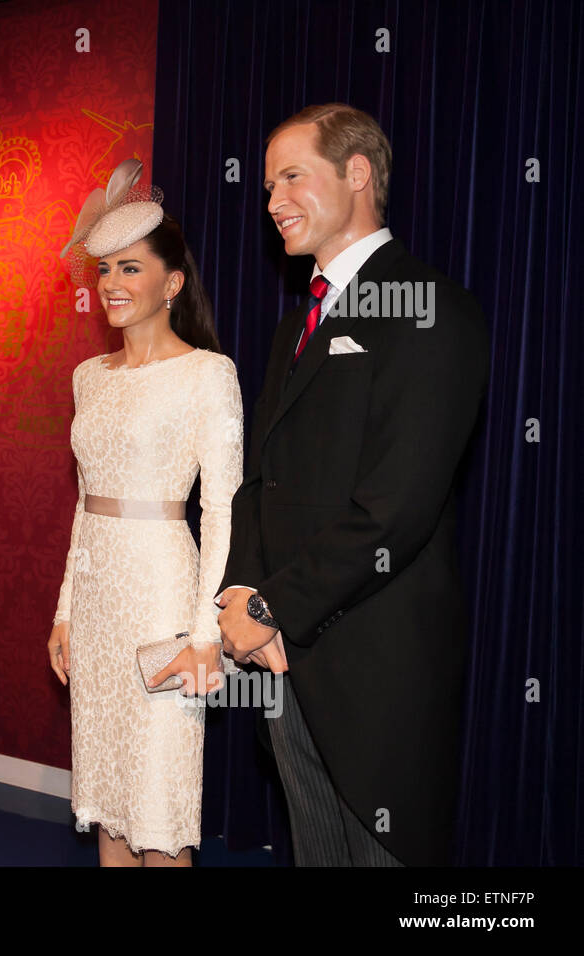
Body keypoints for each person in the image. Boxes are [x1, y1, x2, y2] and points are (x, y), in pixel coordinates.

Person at [215, 103, 490, 866]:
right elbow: (257, 484)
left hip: (378, 673)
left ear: (358, 173)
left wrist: (271, 605)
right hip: (283, 662)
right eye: (267, 186)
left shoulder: (432, 309)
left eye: (291, 177)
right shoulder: (292, 326)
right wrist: (239, 593)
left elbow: (394, 511)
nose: (271, 202)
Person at [49, 161, 243, 867]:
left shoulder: (208, 374)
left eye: (130, 268)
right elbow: (85, 502)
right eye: (103, 271)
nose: (111, 285)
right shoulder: (87, 378)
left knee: (159, 810)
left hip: (165, 597)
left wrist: (204, 633)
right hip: (97, 605)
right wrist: (66, 610)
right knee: (109, 806)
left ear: (173, 283)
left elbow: (222, 510)